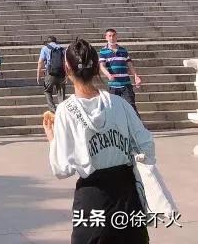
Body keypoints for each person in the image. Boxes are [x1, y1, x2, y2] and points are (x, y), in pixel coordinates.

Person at [44, 38, 154, 244]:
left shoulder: (65, 111)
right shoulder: (119, 103)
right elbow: (147, 144)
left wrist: (52, 140)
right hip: (126, 195)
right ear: (97, 67)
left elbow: (61, 169)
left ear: (67, 68)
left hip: (92, 197)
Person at [99, 29, 142, 114]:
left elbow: (130, 65)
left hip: (126, 85)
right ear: (106, 37)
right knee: (114, 111)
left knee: (131, 108)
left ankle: (137, 127)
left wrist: (136, 76)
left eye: (114, 35)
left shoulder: (123, 50)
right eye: (110, 36)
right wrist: (108, 75)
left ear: (116, 36)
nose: (112, 38)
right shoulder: (103, 51)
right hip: (113, 86)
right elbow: (102, 66)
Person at [37, 35, 67, 112]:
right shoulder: (62, 49)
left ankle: (53, 110)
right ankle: (62, 111)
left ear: (48, 42)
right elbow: (65, 63)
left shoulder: (45, 48)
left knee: (47, 91)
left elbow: (40, 62)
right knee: (61, 92)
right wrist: (66, 75)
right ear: (56, 41)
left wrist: (38, 76)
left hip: (50, 73)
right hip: (61, 73)